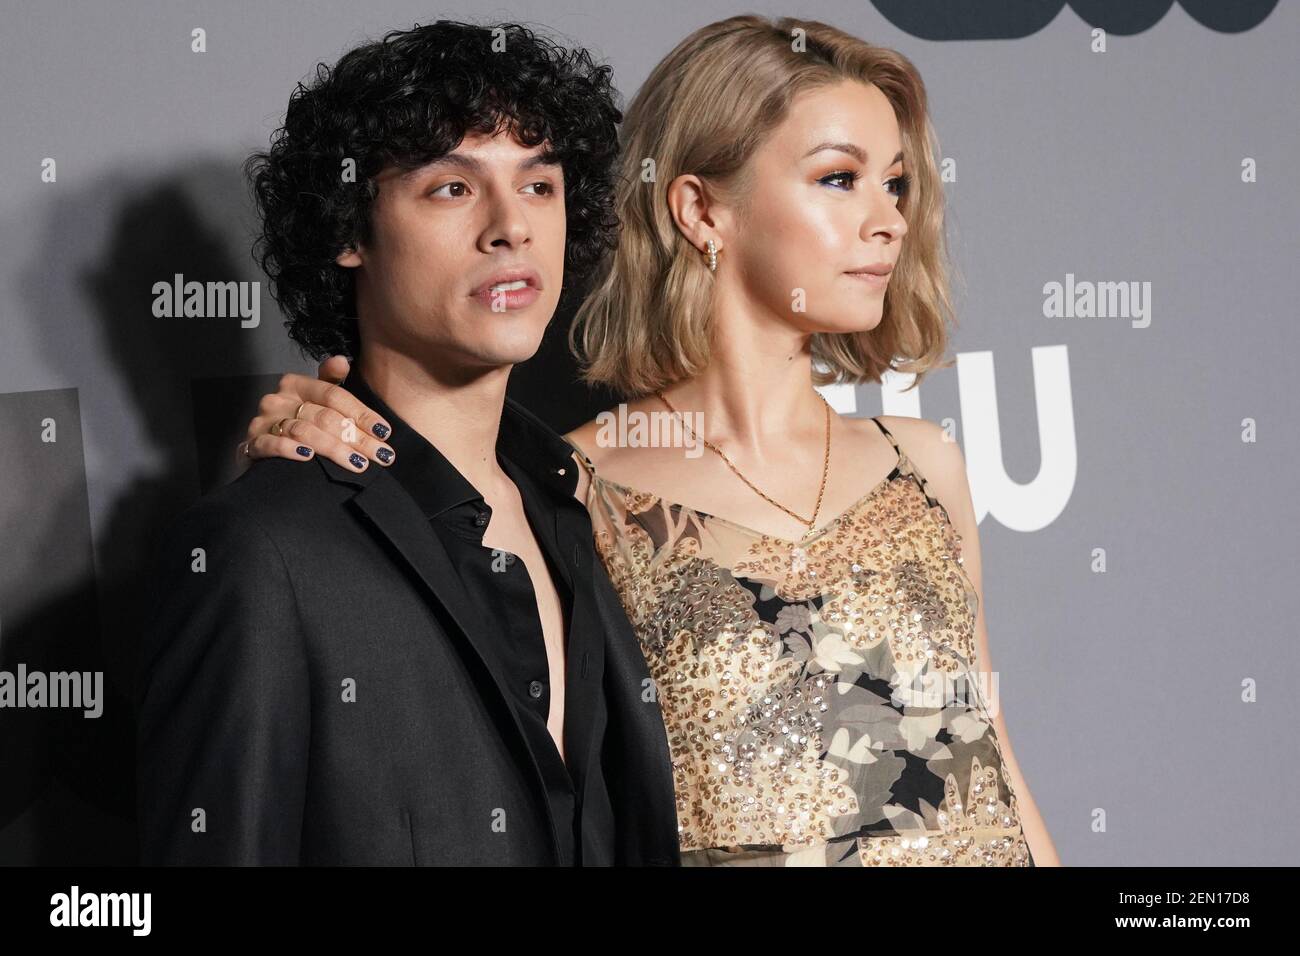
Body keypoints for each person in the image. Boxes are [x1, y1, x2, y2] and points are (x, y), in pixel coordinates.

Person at [243, 15, 1060, 866]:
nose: (887, 220)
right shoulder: (567, 493)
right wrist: (303, 445)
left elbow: (994, 761)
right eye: (839, 178)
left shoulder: (923, 463)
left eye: (894, 183)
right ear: (702, 210)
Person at [134, 20, 680, 866]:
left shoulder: (575, 506)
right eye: (452, 190)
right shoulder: (259, 553)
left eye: (539, 185)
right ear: (350, 231)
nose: (512, 227)